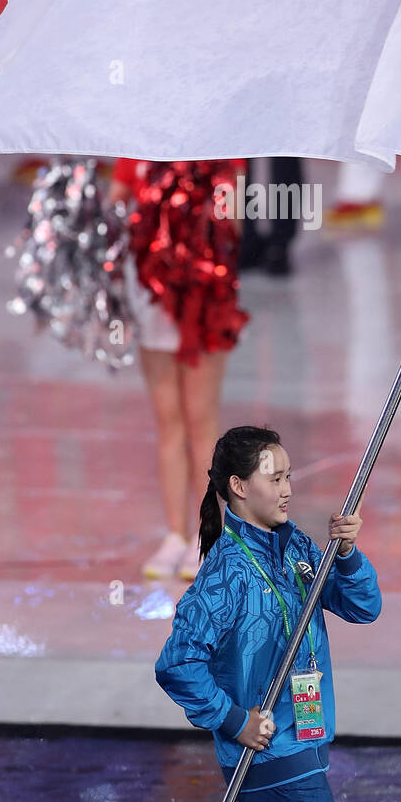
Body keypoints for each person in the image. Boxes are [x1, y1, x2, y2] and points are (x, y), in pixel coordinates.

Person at [155, 427, 381, 802]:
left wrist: (348, 554)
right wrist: (234, 720)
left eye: (288, 477)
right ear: (239, 487)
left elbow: (363, 607)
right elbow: (177, 663)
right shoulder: (227, 572)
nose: (287, 490)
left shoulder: (295, 545)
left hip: (306, 742)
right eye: (275, 479)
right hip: (272, 758)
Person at [108, 158, 248, 580]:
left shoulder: (226, 152)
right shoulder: (138, 147)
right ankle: (174, 533)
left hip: (204, 296)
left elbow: (234, 223)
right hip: (151, 295)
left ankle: (210, 536)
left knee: (200, 422)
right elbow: (115, 208)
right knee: (168, 420)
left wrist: (192, 208)